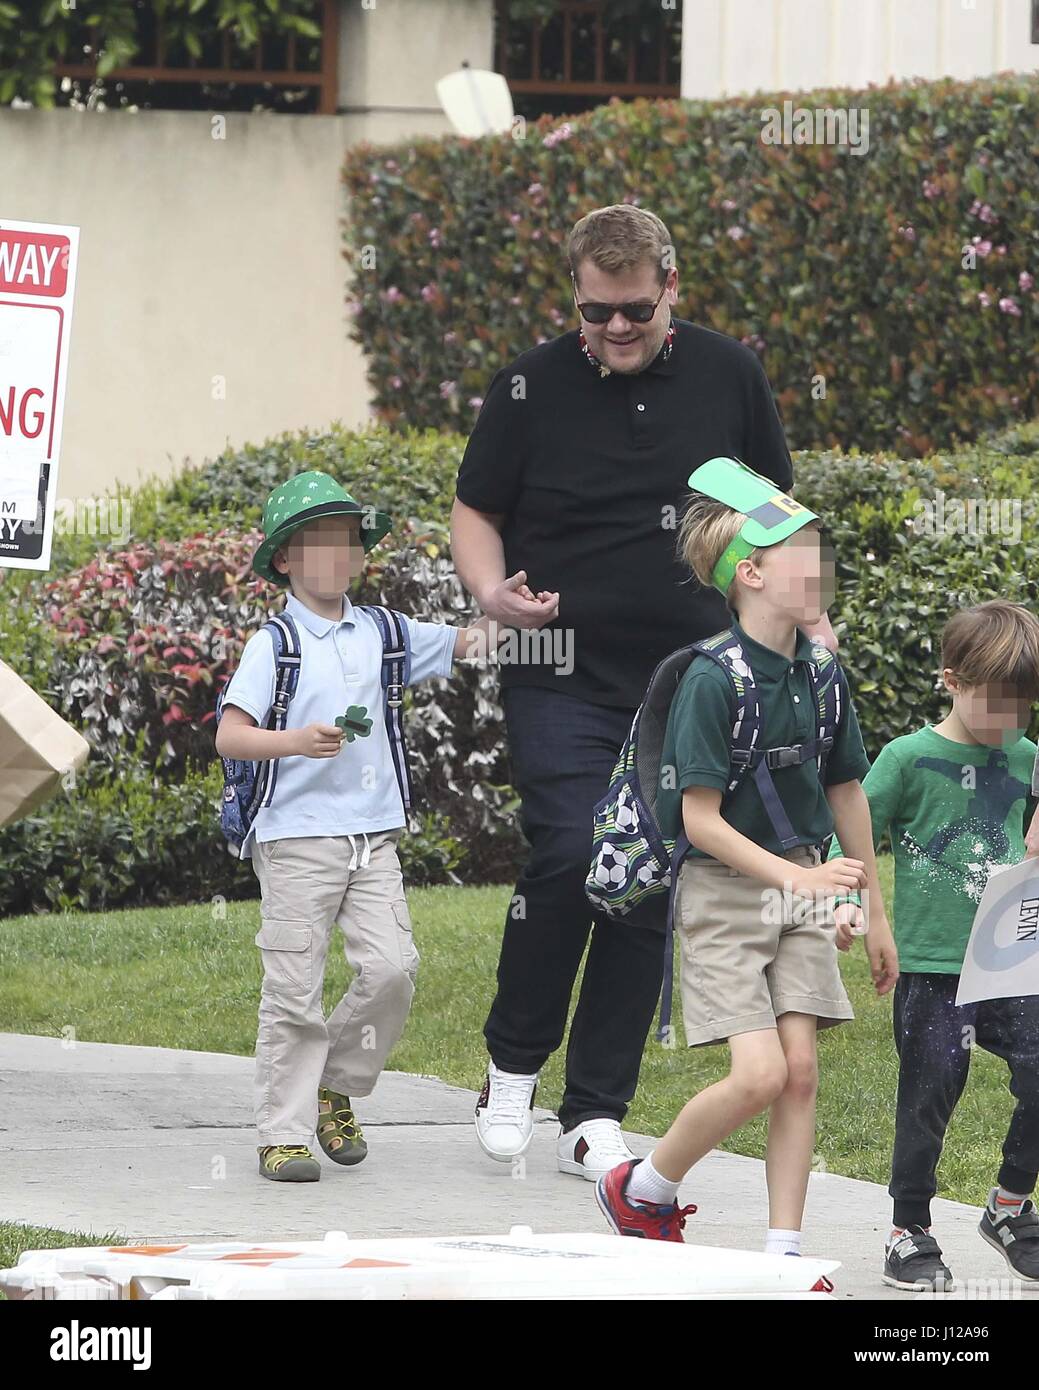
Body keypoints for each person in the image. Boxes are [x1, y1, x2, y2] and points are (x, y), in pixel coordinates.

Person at [452, 202, 840, 1180]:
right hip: (561, 671)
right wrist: (488, 589)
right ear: (573, 298)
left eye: (632, 310)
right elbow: (475, 508)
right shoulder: (528, 385)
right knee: (570, 851)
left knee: (646, 874)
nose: (614, 330)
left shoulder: (726, 374)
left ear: (670, 287)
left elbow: (770, 508)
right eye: (594, 313)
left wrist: (806, 616)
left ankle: (594, 1111)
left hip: (690, 679)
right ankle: (511, 1063)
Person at [595, 457, 898, 1249]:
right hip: (726, 895)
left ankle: (782, 1252)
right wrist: (802, 879)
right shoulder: (711, 680)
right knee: (759, 1074)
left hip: (802, 884)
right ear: (754, 574)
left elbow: (844, 793)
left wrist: (870, 913)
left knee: (799, 1073)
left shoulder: (822, 674)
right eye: (807, 555)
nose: (823, 569)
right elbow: (700, 822)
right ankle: (643, 1184)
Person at [215, 470, 496, 1181]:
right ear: (284, 560)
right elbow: (231, 736)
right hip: (294, 837)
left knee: (393, 969)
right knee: (293, 989)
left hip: (373, 837)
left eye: (348, 544)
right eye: (318, 545)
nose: (337, 559)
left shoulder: (382, 630)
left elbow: (469, 642)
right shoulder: (274, 643)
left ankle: (334, 1084)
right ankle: (281, 1133)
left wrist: (511, 612)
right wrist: (296, 741)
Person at [825, 601, 1039, 1290]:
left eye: (1025, 706)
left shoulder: (1028, 758)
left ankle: (1008, 1207)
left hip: (1013, 959)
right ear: (950, 679)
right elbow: (852, 834)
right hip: (932, 970)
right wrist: (844, 902)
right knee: (929, 1093)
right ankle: (906, 1229)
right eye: (997, 703)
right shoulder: (908, 758)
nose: (1010, 721)